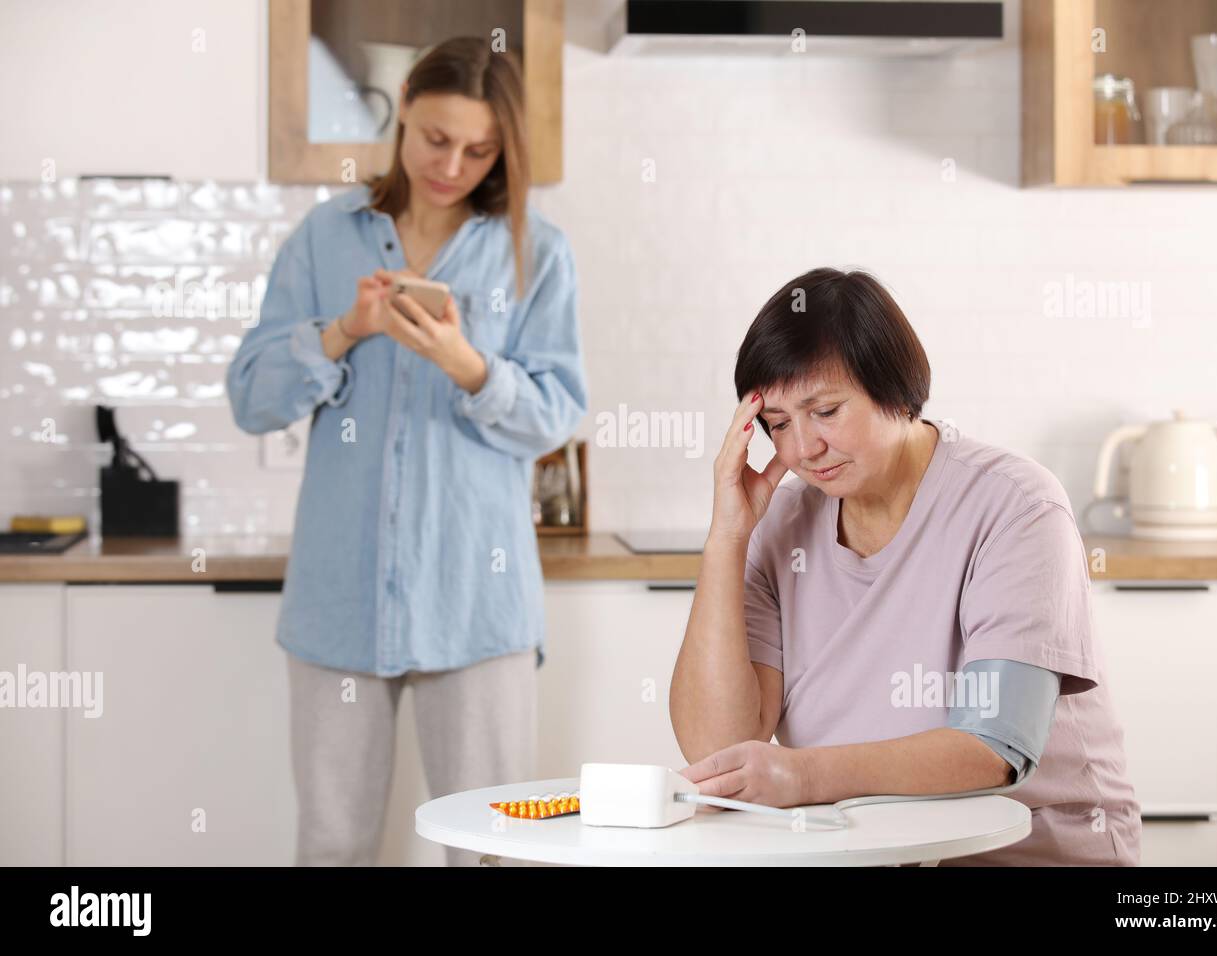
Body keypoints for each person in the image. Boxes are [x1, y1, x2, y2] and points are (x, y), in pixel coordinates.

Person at [227, 37, 587, 866]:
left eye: (479, 149)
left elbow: (556, 417)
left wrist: (467, 366)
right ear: (403, 118)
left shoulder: (538, 254)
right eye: (435, 138)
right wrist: (342, 332)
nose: (452, 164)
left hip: (477, 601)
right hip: (337, 601)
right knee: (332, 843)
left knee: (490, 850)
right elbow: (251, 397)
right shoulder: (326, 238)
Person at [670, 267, 1140, 865]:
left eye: (827, 410)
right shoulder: (779, 526)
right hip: (862, 852)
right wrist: (726, 539)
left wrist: (804, 777)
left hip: (1024, 853)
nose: (804, 448)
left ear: (893, 388)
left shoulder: (1015, 507)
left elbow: (994, 746)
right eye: (779, 424)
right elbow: (720, 749)